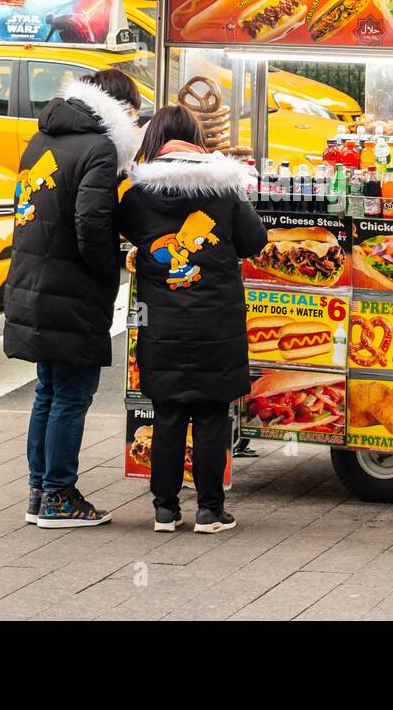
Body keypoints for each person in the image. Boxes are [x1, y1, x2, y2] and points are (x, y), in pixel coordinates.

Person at [115, 107, 267, 534]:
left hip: (161, 324)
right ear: (196, 139)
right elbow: (255, 240)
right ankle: (209, 510)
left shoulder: (137, 192)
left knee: (166, 414)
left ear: (156, 139)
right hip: (216, 323)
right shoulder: (224, 187)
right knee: (210, 416)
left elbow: (117, 229)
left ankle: (164, 509)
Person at [4, 68, 142, 528]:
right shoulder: (98, 148)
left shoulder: (43, 138)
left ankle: (40, 491)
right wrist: (109, 266)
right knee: (72, 395)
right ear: (119, 109)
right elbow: (91, 221)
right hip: (72, 286)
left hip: (34, 277)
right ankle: (60, 496)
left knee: (49, 390)